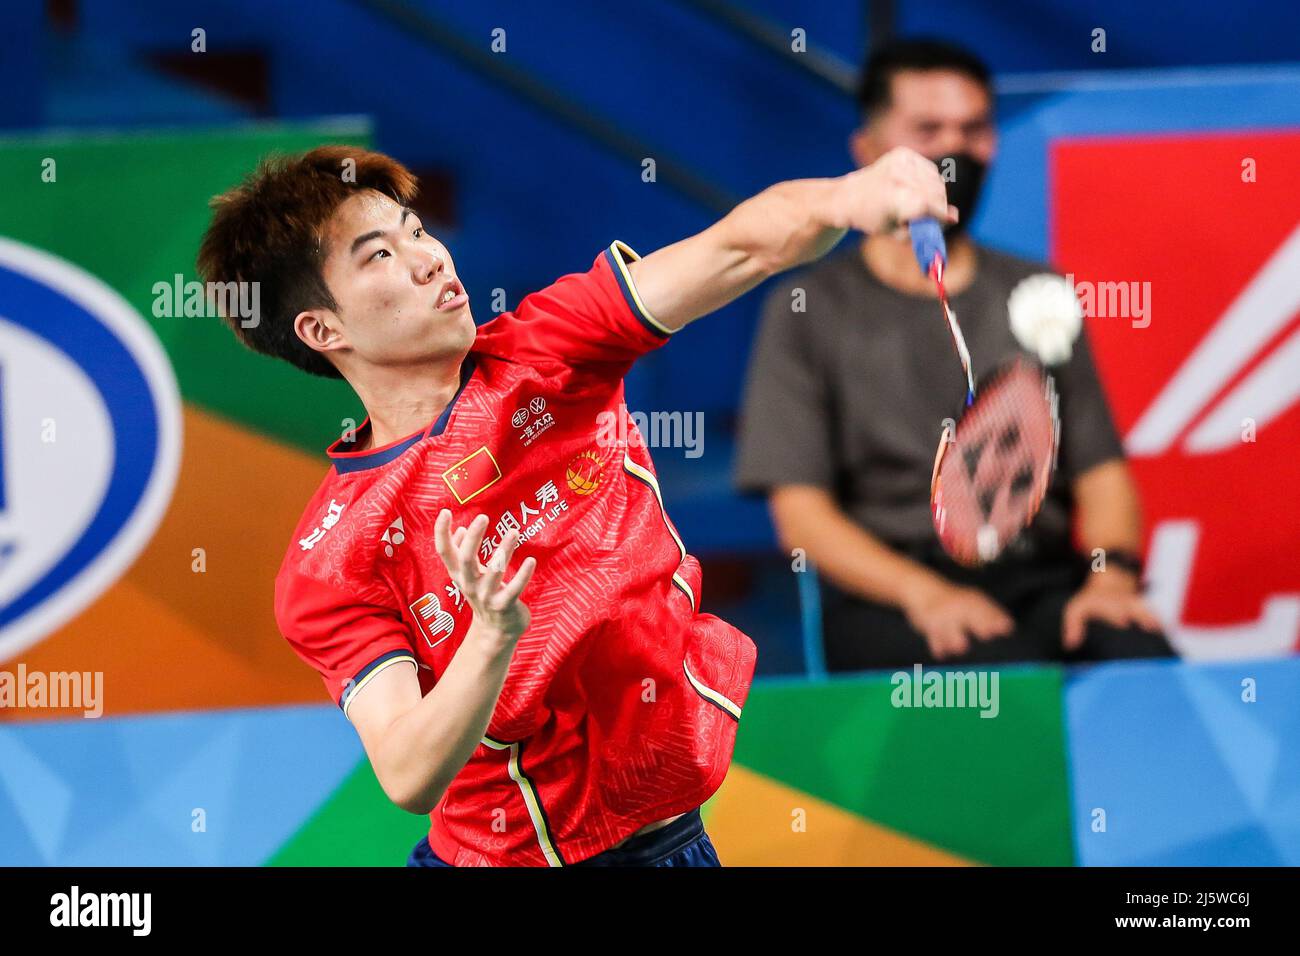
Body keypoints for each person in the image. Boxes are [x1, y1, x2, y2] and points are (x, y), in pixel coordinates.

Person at [196, 142, 956, 865]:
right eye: (382, 256)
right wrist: (491, 637)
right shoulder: (333, 559)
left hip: (666, 837)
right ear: (321, 328)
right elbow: (406, 772)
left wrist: (849, 196)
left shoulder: (551, 349)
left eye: (418, 231)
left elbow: (740, 247)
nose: (430, 259)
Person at [733, 38, 1175, 672]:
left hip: (1041, 578)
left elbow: (1102, 473)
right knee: (998, 693)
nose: (954, 151)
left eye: (973, 129)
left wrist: (1111, 580)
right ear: (868, 152)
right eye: (928, 130)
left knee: (1139, 658)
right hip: (892, 593)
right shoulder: (807, 307)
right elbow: (802, 516)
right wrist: (925, 594)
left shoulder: (1039, 291)